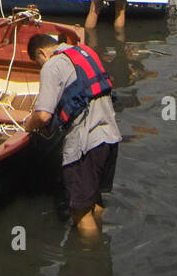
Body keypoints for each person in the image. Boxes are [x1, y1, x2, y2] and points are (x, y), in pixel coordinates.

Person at [24, 32, 121, 236]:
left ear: (41, 52)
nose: (41, 67)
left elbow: (42, 116)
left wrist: (27, 125)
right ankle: (102, 242)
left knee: (79, 212)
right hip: (110, 137)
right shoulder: (86, 52)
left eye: (38, 63)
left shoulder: (52, 65)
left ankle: (90, 258)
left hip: (85, 145)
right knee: (95, 201)